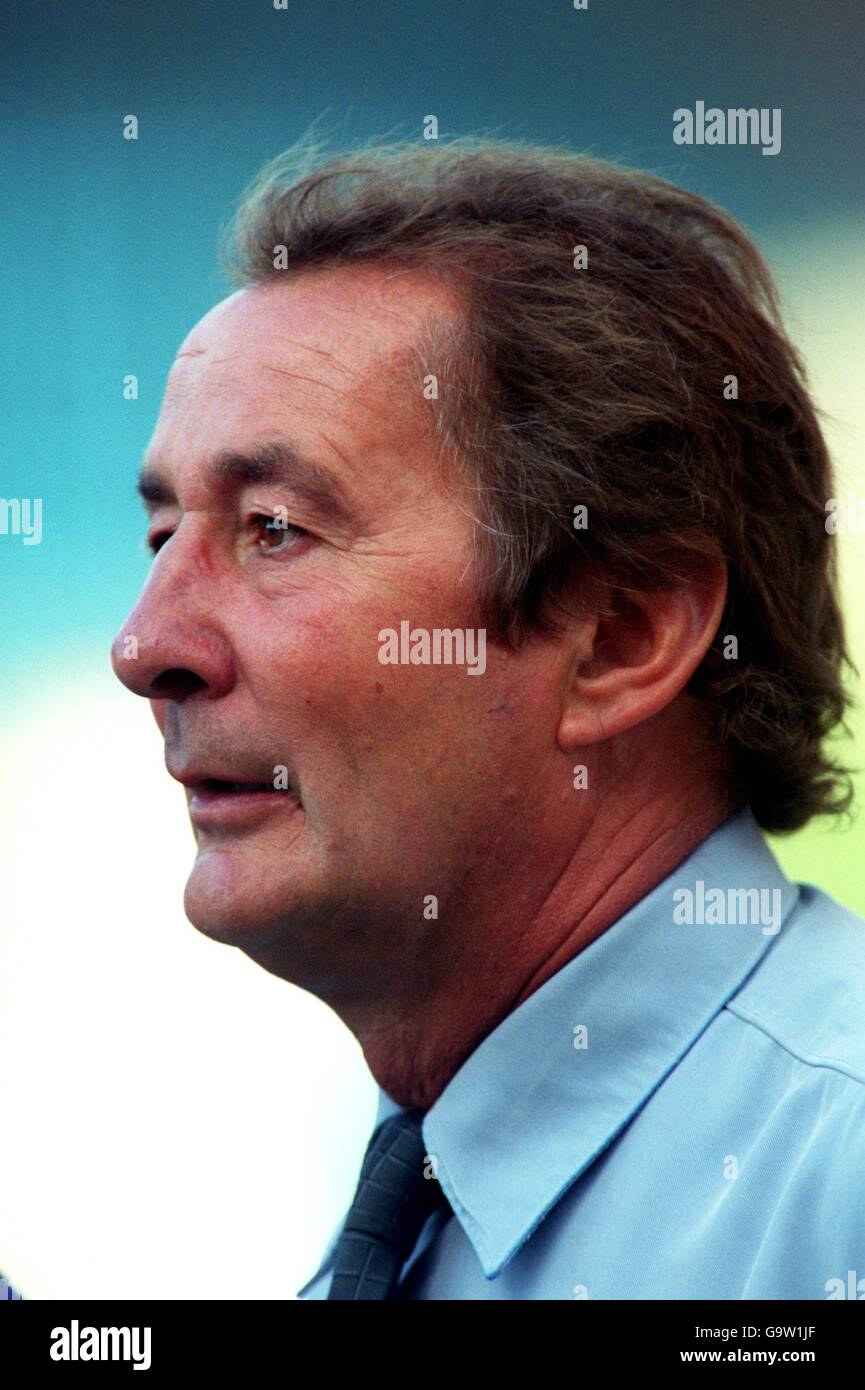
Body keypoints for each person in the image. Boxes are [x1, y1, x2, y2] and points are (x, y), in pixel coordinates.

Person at [111, 138, 865, 1300]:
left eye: (273, 529)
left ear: (619, 636)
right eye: (164, 536)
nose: (145, 647)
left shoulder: (834, 1169)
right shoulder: (411, 1185)